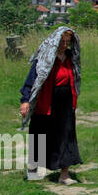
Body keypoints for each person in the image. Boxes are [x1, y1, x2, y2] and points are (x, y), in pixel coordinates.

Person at [20, 26, 83, 184]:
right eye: (62, 42)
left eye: (68, 42)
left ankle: (64, 175)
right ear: (55, 41)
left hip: (65, 101)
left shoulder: (70, 57)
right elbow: (31, 80)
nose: (64, 45)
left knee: (66, 135)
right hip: (46, 100)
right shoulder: (44, 57)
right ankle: (33, 171)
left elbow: (74, 78)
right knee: (40, 134)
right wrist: (25, 100)